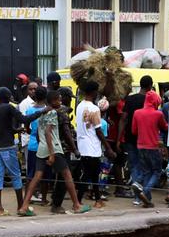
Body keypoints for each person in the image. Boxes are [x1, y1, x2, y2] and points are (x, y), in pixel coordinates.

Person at [22, 88, 80, 215]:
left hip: (41, 149)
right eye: (58, 99)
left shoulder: (42, 114)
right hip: (53, 148)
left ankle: (24, 206)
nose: (60, 101)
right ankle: (76, 205)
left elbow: (38, 133)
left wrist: (43, 145)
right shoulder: (53, 113)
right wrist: (52, 154)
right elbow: (48, 133)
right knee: (67, 175)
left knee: (36, 177)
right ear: (52, 101)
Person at [0, 87, 24, 216]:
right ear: (8, 96)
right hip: (7, 147)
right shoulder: (9, 108)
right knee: (16, 175)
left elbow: (1, 129)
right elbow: (23, 119)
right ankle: (21, 207)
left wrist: (15, 130)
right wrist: (42, 112)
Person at [75, 80, 107, 209]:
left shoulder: (79, 106)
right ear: (94, 92)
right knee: (89, 175)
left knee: (92, 174)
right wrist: (108, 147)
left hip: (83, 145)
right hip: (93, 146)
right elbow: (98, 130)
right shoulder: (94, 109)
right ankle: (78, 201)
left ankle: (98, 199)